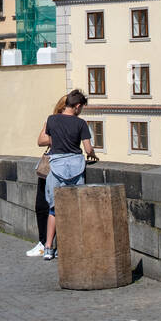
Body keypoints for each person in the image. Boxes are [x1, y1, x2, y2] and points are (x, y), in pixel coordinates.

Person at [35, 90, 97, 261]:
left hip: (56, 166)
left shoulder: (51, 119)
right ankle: (70, 246)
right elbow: (88, 149)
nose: (81, 111)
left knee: (54, 209)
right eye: (81, 108)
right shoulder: (81, 123)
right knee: (75, 208)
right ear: (77, 106)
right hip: (76, 166)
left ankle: (48, 248)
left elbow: (43, 140)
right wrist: (93, 155)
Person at [26, 94, 72, 257]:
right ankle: (43, 242)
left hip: (65, 168)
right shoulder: (52, 120)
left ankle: (57, 245)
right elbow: (41, 140)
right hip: (49, 168)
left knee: (61, 208)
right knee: (41, 206)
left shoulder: (75, 122)